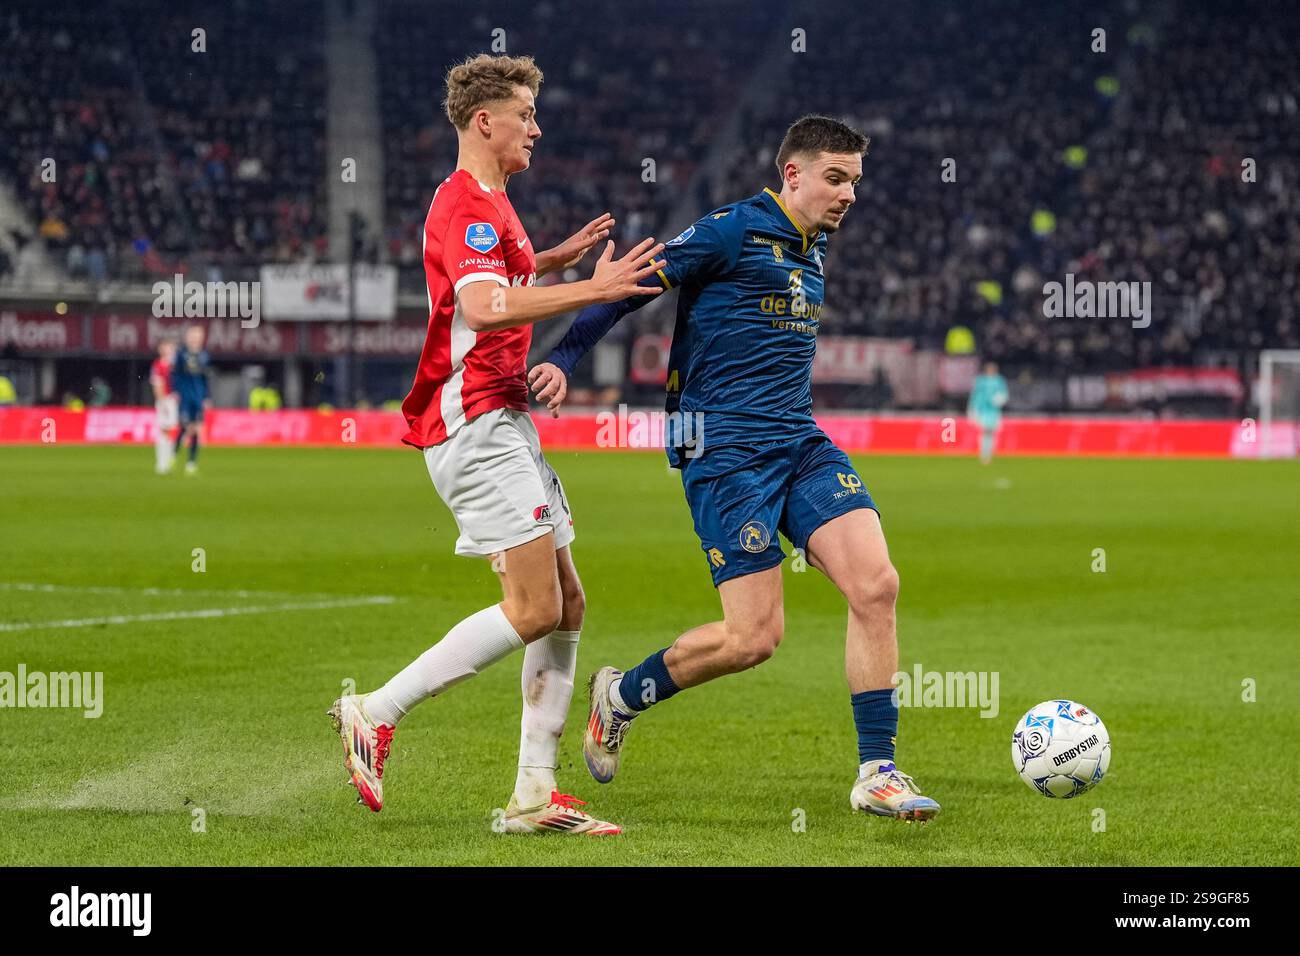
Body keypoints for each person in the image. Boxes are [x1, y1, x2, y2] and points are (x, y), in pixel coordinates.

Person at [529, 115, 941, 822]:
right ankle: (622, 695)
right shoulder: (729, 230)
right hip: (720, 448)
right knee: (755, 640)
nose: (848, 195)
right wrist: (564, 359)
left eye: (855, 183)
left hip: (798, 438)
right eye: (835, 179)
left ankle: (879, 771)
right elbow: (630, 288)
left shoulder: (812, 250)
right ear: (793, 174)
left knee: (877, 584)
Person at [328, 53, 664, 834]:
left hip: (502, 416)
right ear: (487, 122)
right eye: (526, 116)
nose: (537, 129)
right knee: (535, 605)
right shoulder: (470, 208)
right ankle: (374, 711)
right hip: (474, 422)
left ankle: (533, 796)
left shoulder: (488, 203)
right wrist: (596, 290)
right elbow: (482, 307)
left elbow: (484, 284)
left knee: (568, 602)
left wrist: (552, 261)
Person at [170, 325, 211, 475]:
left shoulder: (204, 356)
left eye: (198, 336)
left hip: (198, 397)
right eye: (192, 336)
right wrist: (176, 390)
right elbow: (175, 374)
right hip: (185, 396)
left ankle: (191, 462)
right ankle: (174, 452)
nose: (195, 339)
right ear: (188, 337)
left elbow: (206, 378)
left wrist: (207, 396)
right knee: (185, 425)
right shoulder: (181, 354)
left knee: (195, 429)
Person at [967, 361, 1009, 465]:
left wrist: (999, 400)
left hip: (994, 411)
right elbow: (975, 394)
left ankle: (989, 453)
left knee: (991, 433)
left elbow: (1004, 394)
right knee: (985, 432)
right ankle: (984, 454)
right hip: (982, 410)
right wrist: (972, 408)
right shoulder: (981, 381)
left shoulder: (999, 380)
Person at [150, 339, 178, 474]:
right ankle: (161, 463)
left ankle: (168, 461)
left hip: (173, 400)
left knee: (172, 431)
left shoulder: (174, 365)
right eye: (166, 348)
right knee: (164, 431)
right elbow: (157, 385)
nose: (169, 350)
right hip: (165, 401)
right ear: (161, 349)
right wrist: (162, 401)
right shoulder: (158, 365)